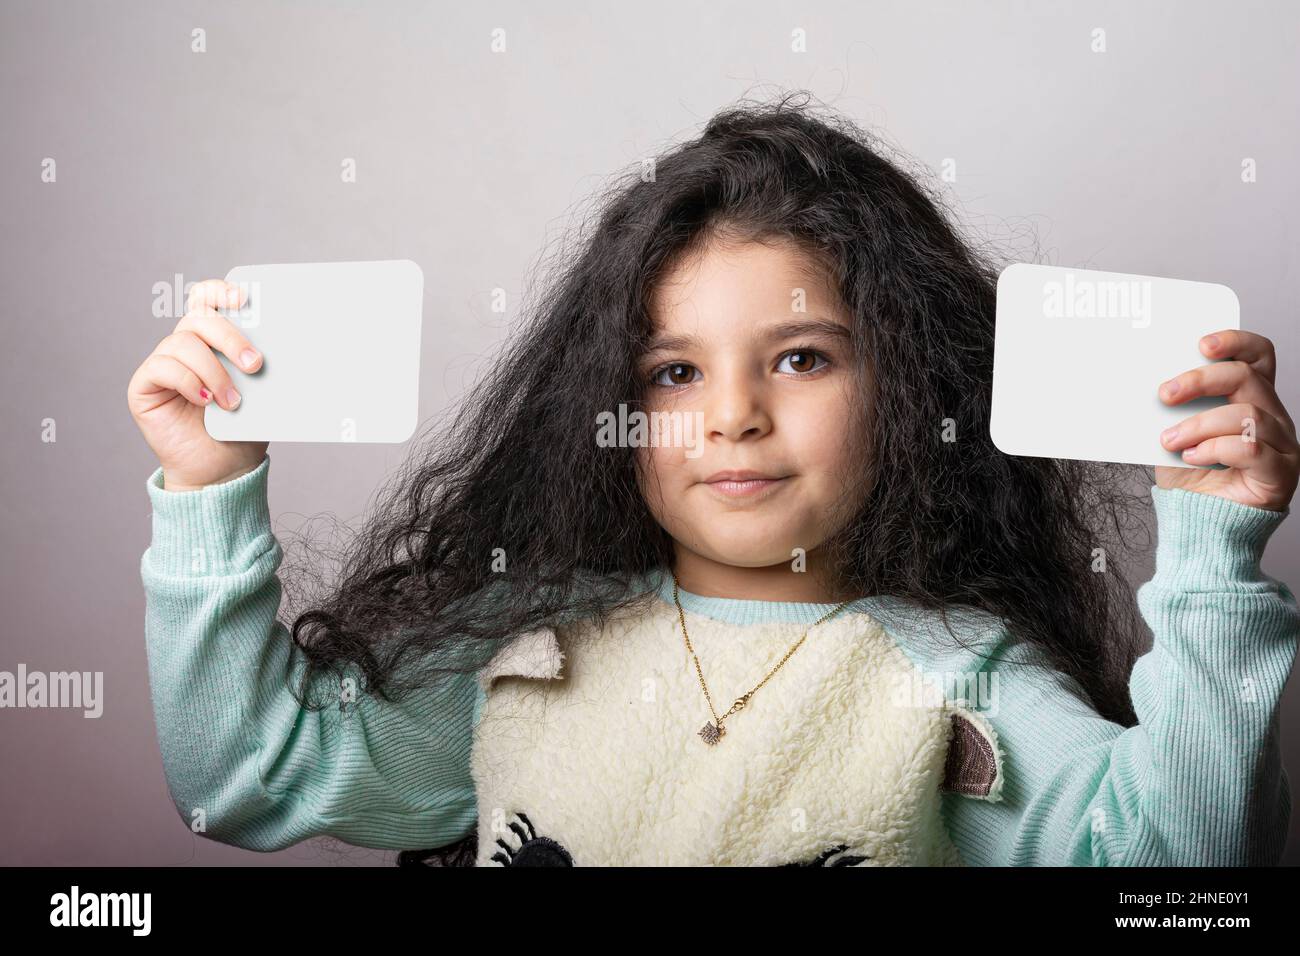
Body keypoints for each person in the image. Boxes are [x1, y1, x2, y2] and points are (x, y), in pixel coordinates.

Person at [127, 93, 1299, 866]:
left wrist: (1208, 550)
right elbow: (241, 774)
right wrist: (207, 487)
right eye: (675, 370)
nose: (732, 414)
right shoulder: (522, 655)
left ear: (906, 387)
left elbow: (1183, 869)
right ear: (613, 411)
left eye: (799, 357)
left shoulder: (958, 685)